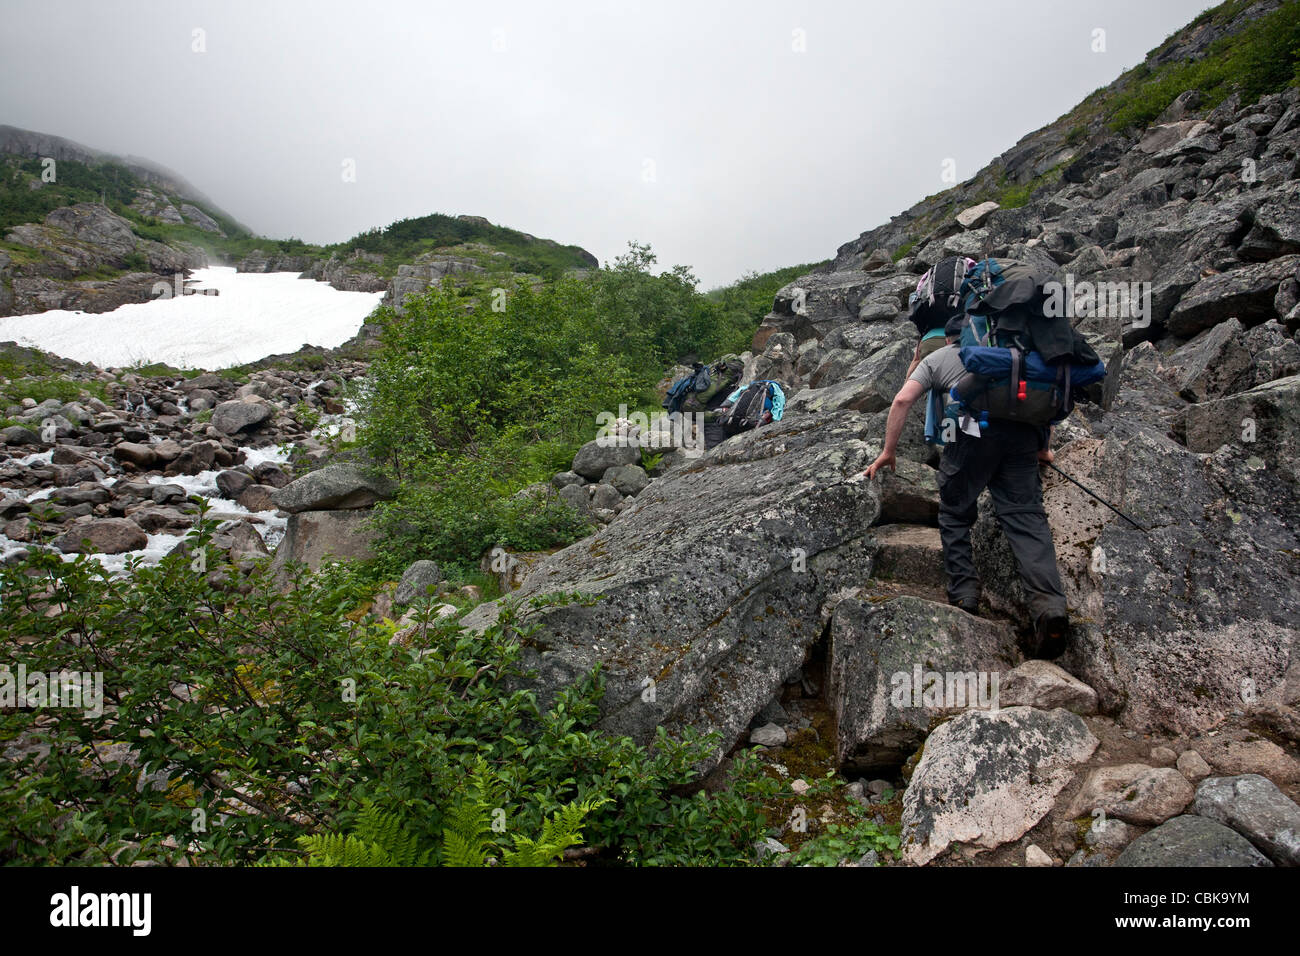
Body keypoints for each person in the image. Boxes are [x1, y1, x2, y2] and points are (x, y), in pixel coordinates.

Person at [863, 316, 1070, 658]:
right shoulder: (1016, 353)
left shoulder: (939, 358)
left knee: (956, 512)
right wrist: (1043, 449)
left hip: (970, 437)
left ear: (950, 339)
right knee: (1027, 520)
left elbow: (902, 401)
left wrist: (888, 451)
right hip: (1022, 440)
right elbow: (1042, 403)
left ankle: (965, 592)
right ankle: (1049, 609)